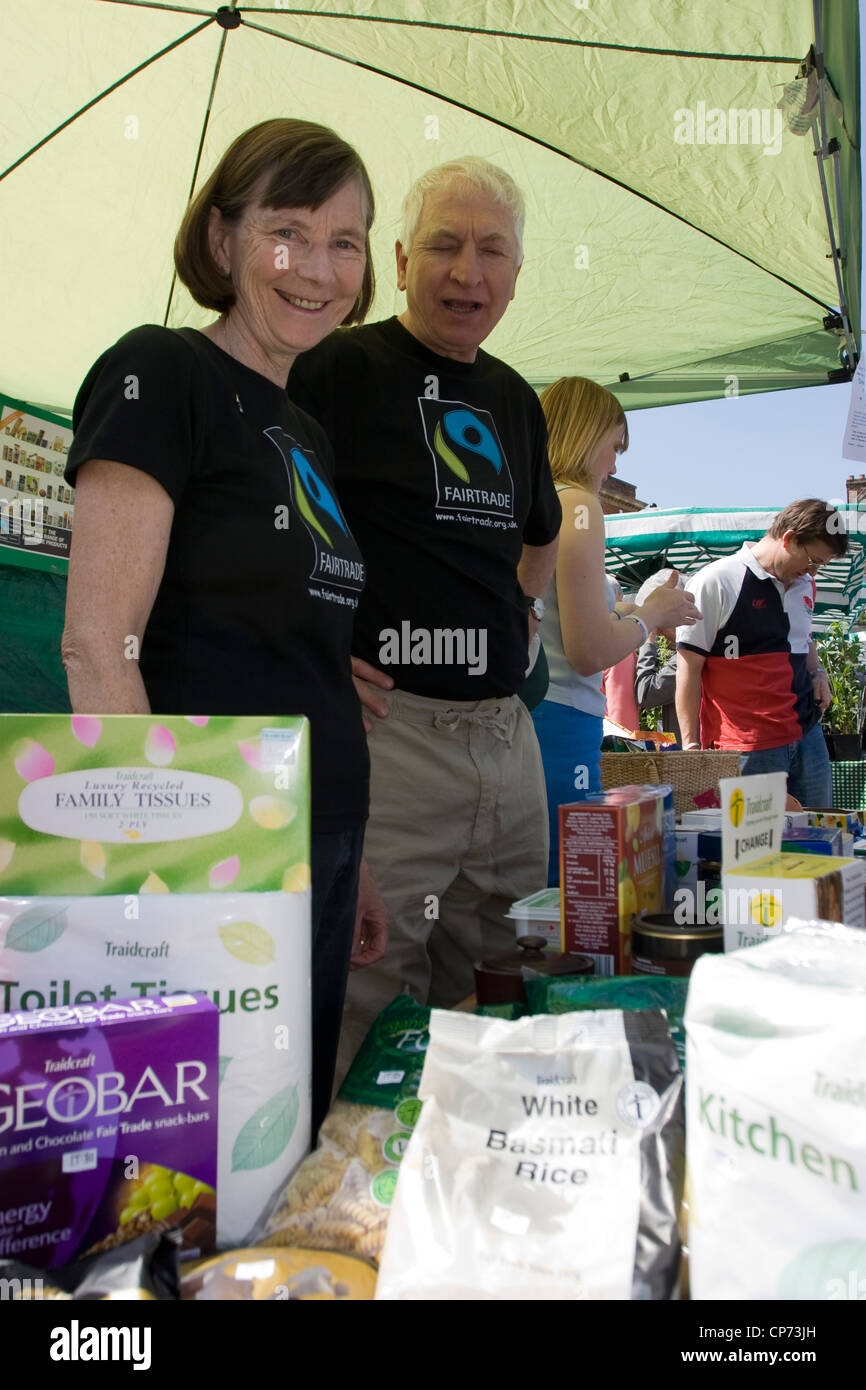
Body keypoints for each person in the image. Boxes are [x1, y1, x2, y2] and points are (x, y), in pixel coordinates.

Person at [60, 118, 382, 1134]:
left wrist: (351, 850)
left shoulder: (307, 427)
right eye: (287, 231)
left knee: (277, 1137)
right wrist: (162, 878)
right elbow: (94, 642)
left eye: (346, 240)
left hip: (317, 830)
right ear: (219, 241)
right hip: (207, 844)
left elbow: (306, 659)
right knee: (194, 1154)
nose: (317, 268)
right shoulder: (162, 372)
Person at [287, 156, 562, 1075]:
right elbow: (260, 513)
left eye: (493, 251)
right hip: (389, 737)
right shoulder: (332, 369)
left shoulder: (518, 401)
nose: (467, 273)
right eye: (443, 245)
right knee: (368, 992)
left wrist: (522, 606)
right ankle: (349, 1208)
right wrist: (312, 645)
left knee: (511, 975)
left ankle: (481, 1178)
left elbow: (541, 532)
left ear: (519, 274)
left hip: (506, 743)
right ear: (399, 261)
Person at [530, 377, 700, 883]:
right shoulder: (579, 504)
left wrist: (634, 606)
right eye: (613, 445)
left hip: (532, 718)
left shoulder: (538, 500)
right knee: (570, 892)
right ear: (584, 436)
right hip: (562, 722)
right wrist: (651, 617)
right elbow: (587, 651)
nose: (615, 464)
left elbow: (561, 613)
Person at [675, 498, 848, 806]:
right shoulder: (717, 581)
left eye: (821, 565)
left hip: (807, 736)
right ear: (789, 538)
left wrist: (817, 672)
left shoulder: (805, 584)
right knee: (752, 848)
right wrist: (691, 748)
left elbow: (803, 639)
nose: (813, 571)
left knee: (817, 841)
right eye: (812, 561)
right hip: (746, 748)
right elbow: (688, 669)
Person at [634, 569, 683, 743]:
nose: (659, 634)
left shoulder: (689, 652)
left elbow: (645, 693)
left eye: (657, 623)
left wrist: (649, 640)